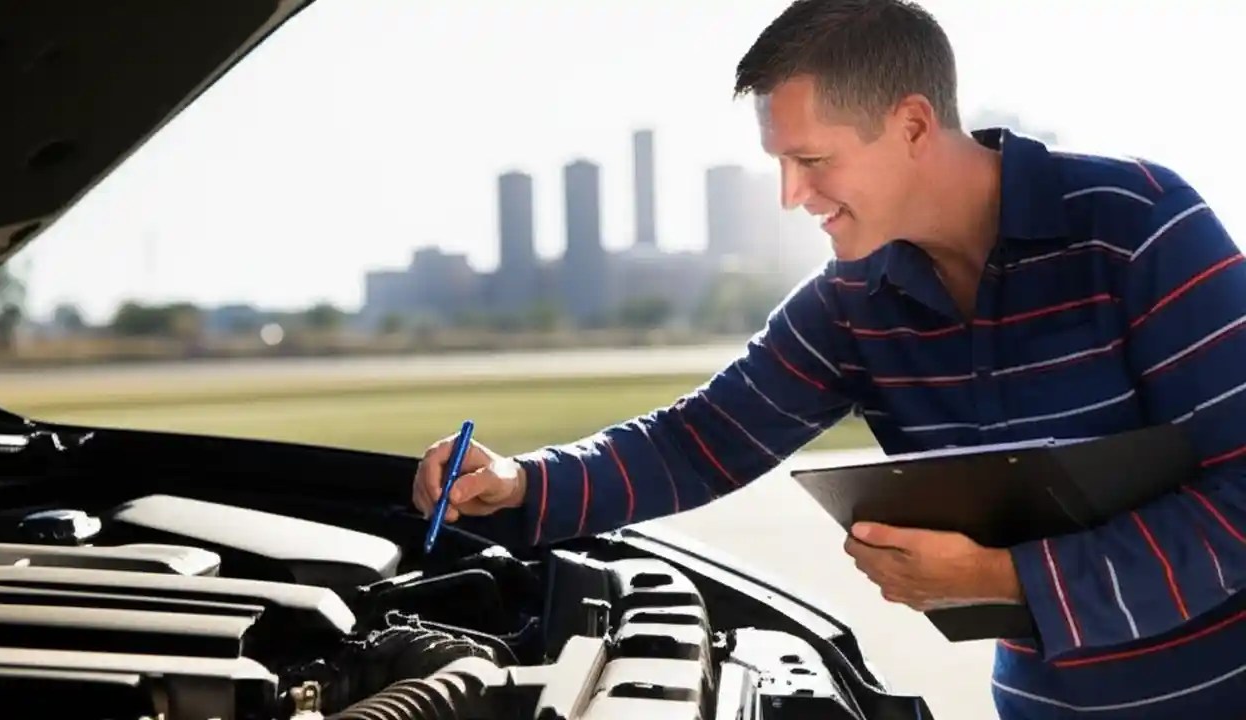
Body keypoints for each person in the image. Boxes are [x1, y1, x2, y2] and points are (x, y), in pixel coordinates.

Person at [411, 1, 1246, 717]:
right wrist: (523, 481)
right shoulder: (853, 299)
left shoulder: (1139, 225)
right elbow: (699, 439)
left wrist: (1008, 577)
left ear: (914, 125)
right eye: (780, 162)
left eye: (812, 160)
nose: (790, 195)